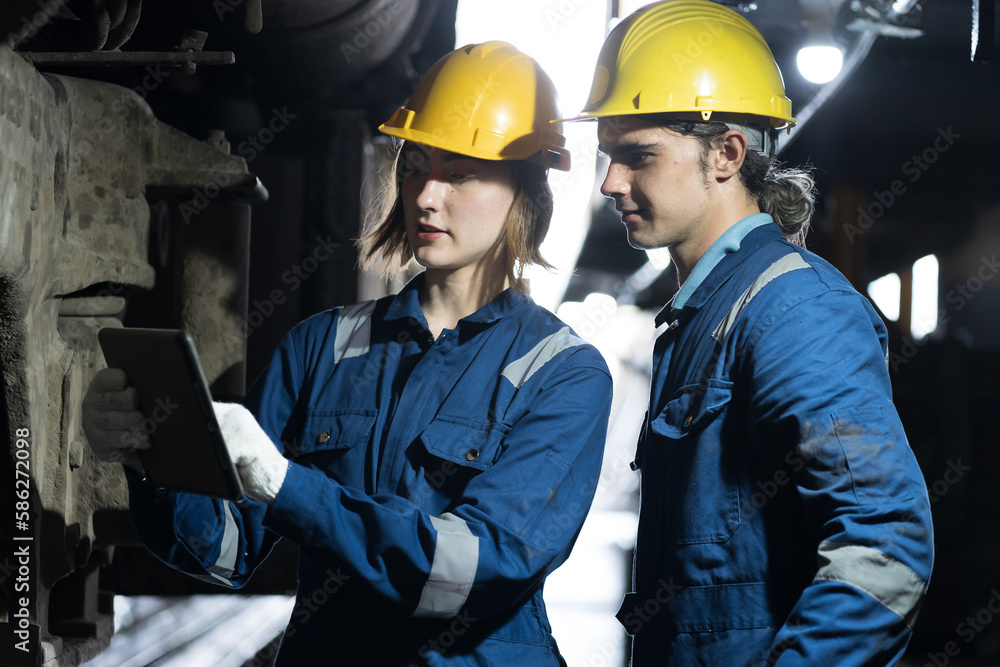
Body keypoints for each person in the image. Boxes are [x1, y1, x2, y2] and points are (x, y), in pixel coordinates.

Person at [82, 41, 612, 665]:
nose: (425, 196)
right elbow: (225, 553)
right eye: (415, 164)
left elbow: (473, 573)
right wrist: (150, 456)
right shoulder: (321, 346)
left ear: (526, 191)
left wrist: (287, 486)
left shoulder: (564, 375)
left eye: (460, 172)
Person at [559, 1, 934, 664]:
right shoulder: (699, 318)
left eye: (637, 155)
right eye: (607, 157)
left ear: (727, 154)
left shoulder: (793, 308)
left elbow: (884, 551)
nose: (612, 181)